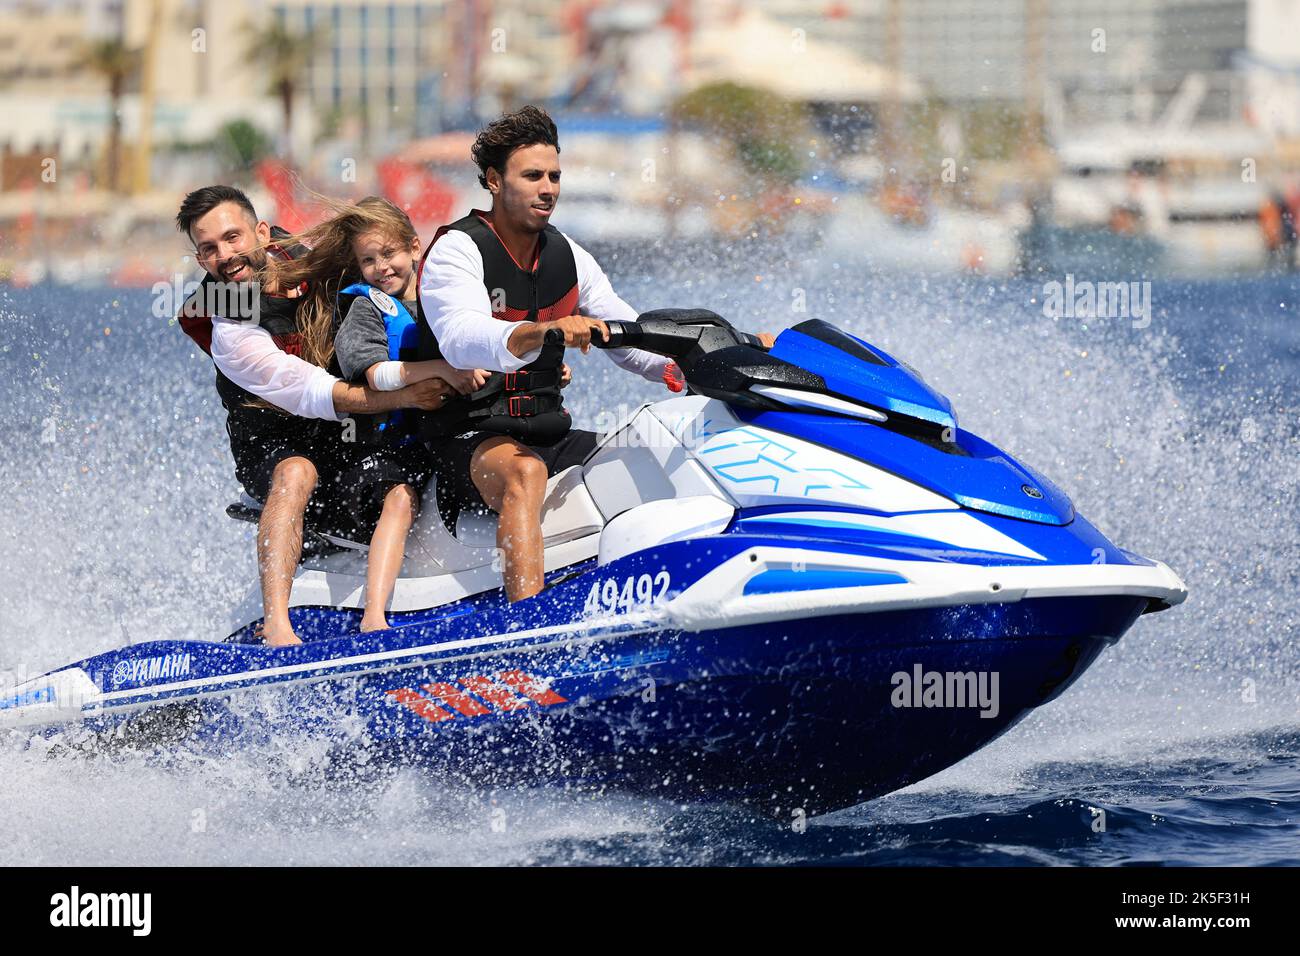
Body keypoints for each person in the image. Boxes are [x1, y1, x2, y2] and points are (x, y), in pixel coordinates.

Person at [417, 106, 769, 602]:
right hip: (468, 437)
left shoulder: (569, 255)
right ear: (494, 181)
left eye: (555, 176)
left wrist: (707, 357)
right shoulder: (458, 249)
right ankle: (526, 628)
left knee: (662, 449)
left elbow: (629, 337)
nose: (548, 188)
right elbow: (459, 337)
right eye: (532, 176)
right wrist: (541, 332)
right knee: (525, 472)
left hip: (548, 431)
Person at [175, 185, 449, 646]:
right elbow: (319, 394)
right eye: (209, 249)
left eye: (233, 237)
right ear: (201, 260)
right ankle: (278, 627)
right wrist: (411, 394)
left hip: (342, 433)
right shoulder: (230, 329)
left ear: (261, 231)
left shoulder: (312, 259)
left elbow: (385, 258)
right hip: (275, 440)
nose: (225, 255)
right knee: (297, 473)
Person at [270, 196, 487, 632]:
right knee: (400, 498)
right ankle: (374, 617)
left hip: (444, 435)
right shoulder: (365, 308)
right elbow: (372, 374)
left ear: (414, 247)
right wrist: (443, 370)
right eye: (369, 260)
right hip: (381, 444)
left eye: (389, 254)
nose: (381, 267)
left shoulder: (444, 295)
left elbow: (493, 339)